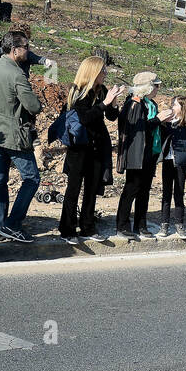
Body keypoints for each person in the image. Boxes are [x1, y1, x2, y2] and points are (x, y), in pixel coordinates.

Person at [0, 30, 43, 243]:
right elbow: (33, 106)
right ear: (15, 50)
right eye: (26, 47)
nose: (28, 50)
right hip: (13, 134)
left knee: (0, 179)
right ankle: (13, 225)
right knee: (31, 178)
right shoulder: (16, 74)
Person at [58, 56, 123, 244]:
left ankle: (87, 226)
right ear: (93, 72)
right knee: (74, 188)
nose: (105, 74)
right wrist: (104, 103)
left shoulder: (101, 90)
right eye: (103, 70)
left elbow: (111, 117)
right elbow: (85, 118)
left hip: (97, 145)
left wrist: (114, 101)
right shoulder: (77, 91)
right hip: (79, 147)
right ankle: (67, 228)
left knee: (92, 188)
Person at [116, 71, 171, 238]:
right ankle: (122, 225)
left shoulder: (150, 104)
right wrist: (158, 120)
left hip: (149, 153)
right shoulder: (135, 104)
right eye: (156, 85)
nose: (158, 88)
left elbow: (151, 128)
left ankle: (141, 225)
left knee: (145, 190)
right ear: (147, 87)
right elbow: (137, 129)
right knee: (132, 189)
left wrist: (163, 123)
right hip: (137, 154)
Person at [156, 95, 186, 237]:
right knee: (166, 193)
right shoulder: (167, 124)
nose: (172, 107)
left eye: (175, 105)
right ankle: (164, 225)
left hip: (180, 163)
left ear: (183, 108)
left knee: (179, 193)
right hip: (168, 162)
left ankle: (179, 224)